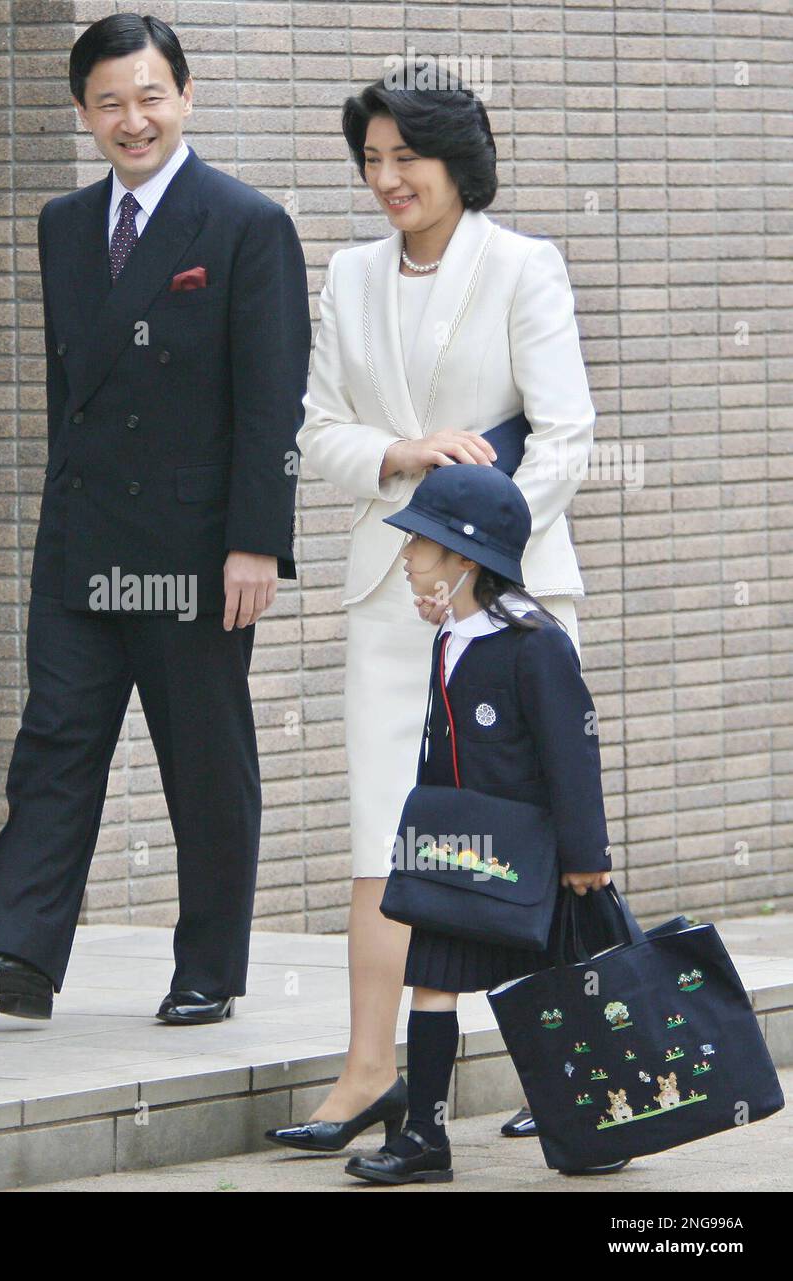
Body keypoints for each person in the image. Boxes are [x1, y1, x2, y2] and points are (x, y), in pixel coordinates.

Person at [0, 14, 311, 1022]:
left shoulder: (244, 223)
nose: (131, 120)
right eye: (108, 103)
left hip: (192, 550)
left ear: (186, 95)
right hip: (83, 538)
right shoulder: (61, 223)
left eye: (149, 96)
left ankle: (209, 970)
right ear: (81, 112)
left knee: (204, 764)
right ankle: (15, 956)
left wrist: (255, 542)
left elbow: (272, 400)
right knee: (53, 740)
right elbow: (68, 396)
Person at [268, 60, 596, 1151]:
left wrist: (474, 553)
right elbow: (315, 434)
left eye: (406, 157)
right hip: (387, 598)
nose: (386, 179)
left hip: (504, 605)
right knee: (385, 839)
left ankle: (561, 1063)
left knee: (526, 837)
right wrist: (400, 451)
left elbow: (565, 436)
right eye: (370, 161)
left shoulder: (521, 267)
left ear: (458, 157)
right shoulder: (351, 277)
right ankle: (370, 1073)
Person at [343, 462, 622, 1184]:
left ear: (464, 558)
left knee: (554, 991)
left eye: (421, 545)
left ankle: (591, 1119)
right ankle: (426, 1139)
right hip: (459, 854)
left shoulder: (535, 641)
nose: (406, 556)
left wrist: (586, 853)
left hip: (534, 863)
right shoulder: (450, 639)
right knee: (431, 984)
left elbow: (573, 752)